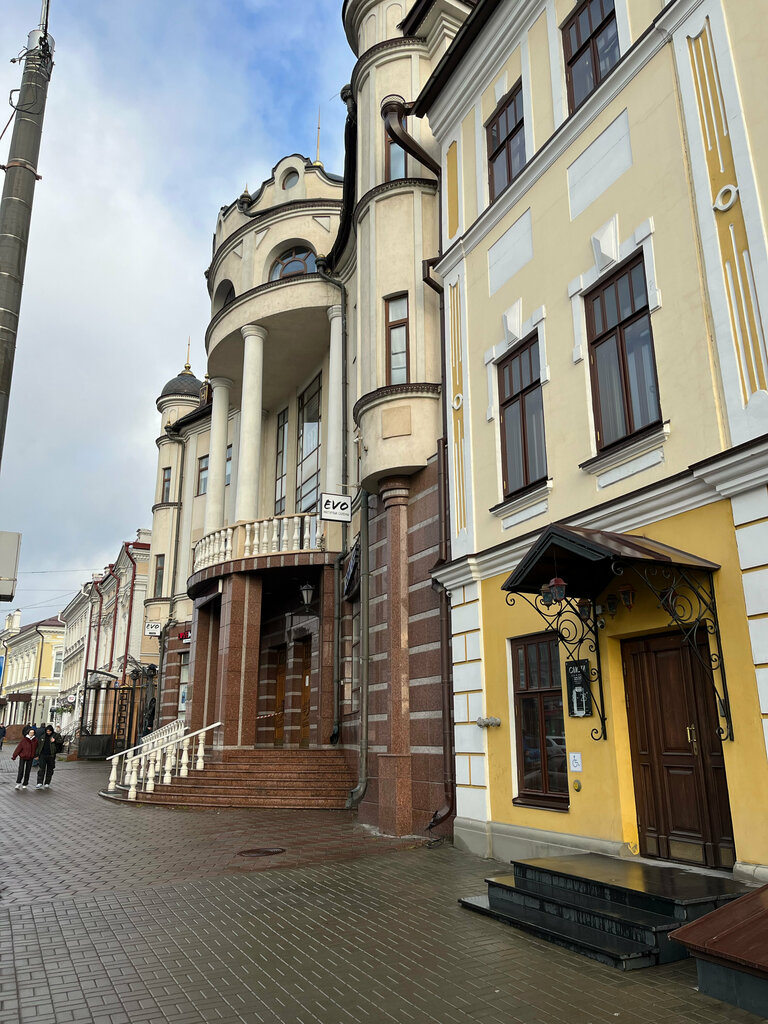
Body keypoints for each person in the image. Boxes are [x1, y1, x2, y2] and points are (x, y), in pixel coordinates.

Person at [35, 724, 62, 789]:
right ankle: (39, 782)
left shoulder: (56, 735)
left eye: (49, 731)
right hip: (43, 755)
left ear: (52, 731)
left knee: (50, 769)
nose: (48, 732)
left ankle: (47, 783)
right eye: (47, 731)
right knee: (41, 769)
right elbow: (39, 746)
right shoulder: (43, 736)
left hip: (51, 755)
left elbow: (61, 741)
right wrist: (37, 754)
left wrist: (55, 741)